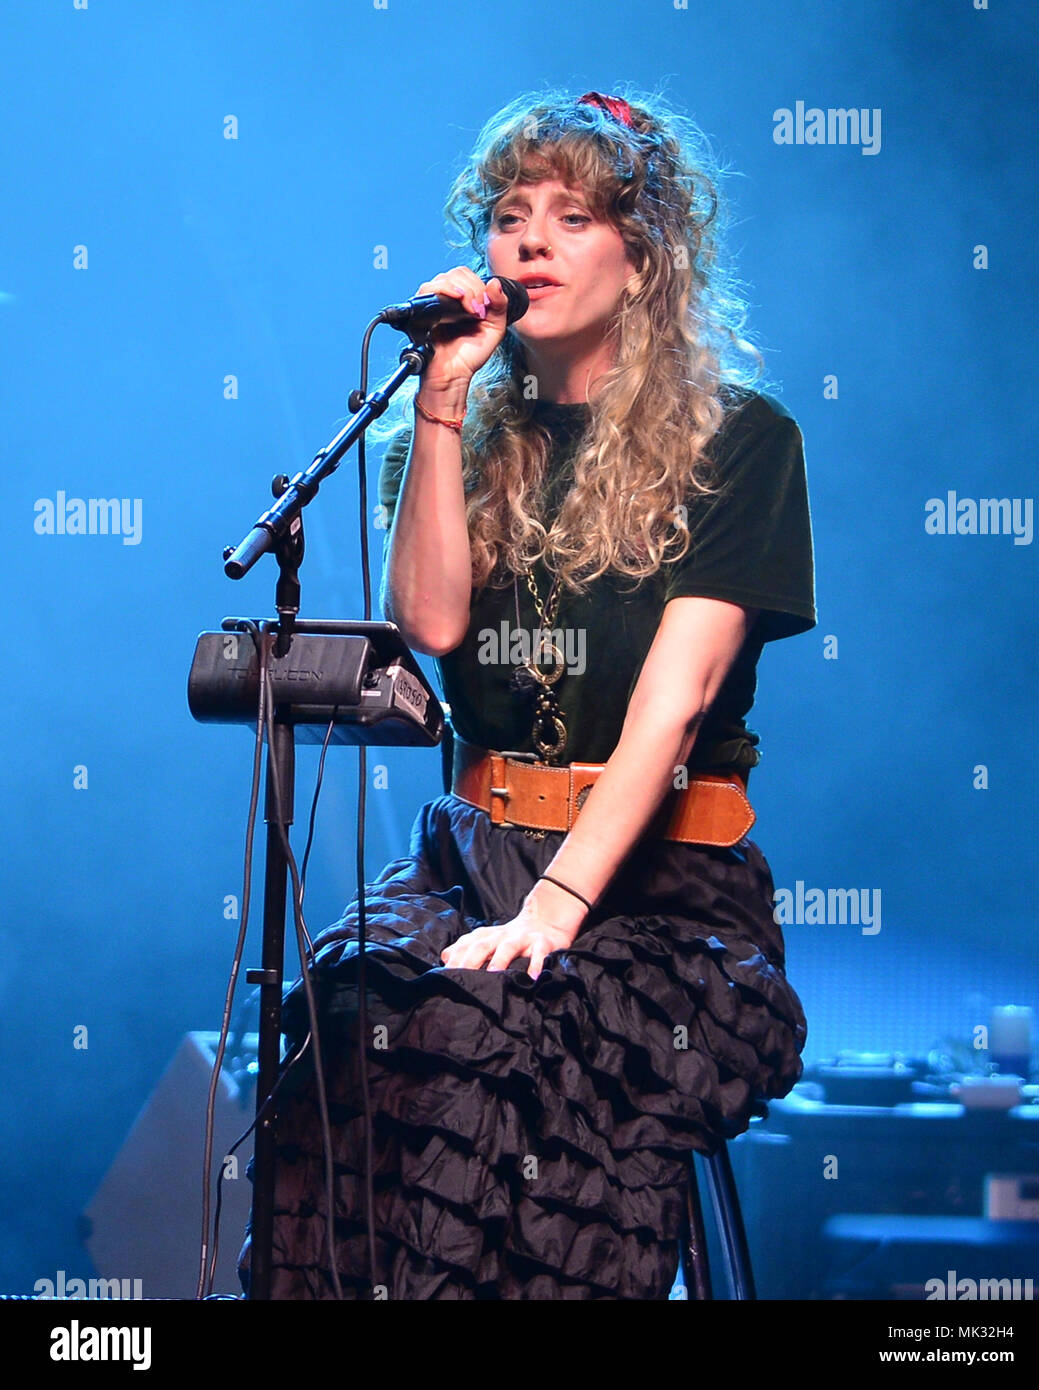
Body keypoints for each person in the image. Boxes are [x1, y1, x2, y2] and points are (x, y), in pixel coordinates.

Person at [242, 87, 816, 1300]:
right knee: (345, 1029)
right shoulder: (456, 432)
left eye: (572, 216)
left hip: (661, 890)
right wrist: (442, 401)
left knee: (489, 1046)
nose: (531, 242)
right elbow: (434, 623)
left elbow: (671, 712)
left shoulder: (740, 442)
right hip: (475, 857)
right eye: (509, 217)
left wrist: (552, 915)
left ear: (644, 254)